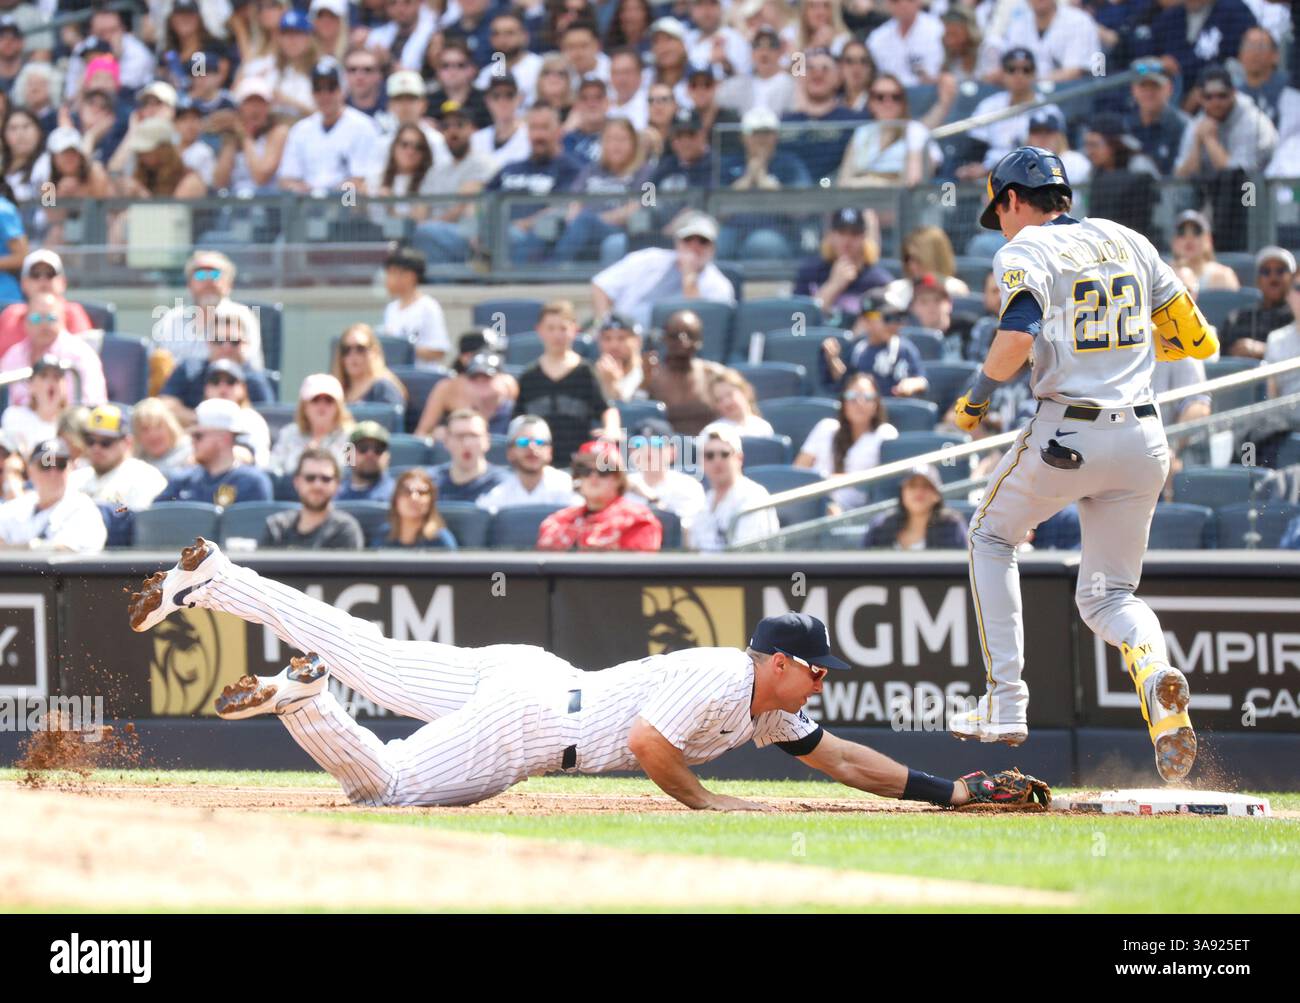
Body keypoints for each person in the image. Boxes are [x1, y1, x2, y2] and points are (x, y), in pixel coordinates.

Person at [131, 547, 1046, 809]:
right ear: (777, 661)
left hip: (532, 676)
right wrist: (709, 806)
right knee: (394, 791)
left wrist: (947, 793)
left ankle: (219, 581)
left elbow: (843, 759)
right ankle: (307, 700)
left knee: (357, 641)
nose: (821, 683)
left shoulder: (763, 707)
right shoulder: (725, 679)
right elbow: (651, 745)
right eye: (814, 669)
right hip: (528, 724)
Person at [948, 145, 1215, 781]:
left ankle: (1006, 704)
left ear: (1013, 200)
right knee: (1108, 596)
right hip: (1143, 440)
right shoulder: (1130, 239)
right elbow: (1196, 337)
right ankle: (1153, 670)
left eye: (1000, 211)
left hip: (1068, 433)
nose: (1001, 225)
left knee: (990, 535)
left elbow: (1016, 336)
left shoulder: (1025, 248)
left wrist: (975, 401)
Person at [1173, 65, 1277, 252]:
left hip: (1255, 195)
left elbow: (1237, 172)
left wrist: (1209, 140)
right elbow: (1180, 175)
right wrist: (1197, 144)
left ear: (1233, 93)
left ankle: (1247, 248)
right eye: (1209, 97)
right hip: (1218, 200)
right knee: (1185, 192)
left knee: (1241, 189)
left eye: (1222, 96)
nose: (1216, 102)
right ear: (1199, 97)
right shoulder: (1197, 124)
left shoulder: (1252, 119)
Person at [591, 213, 735, 331]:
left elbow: (698, 324)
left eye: (703, 241)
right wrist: (604, 329)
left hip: (677, 351)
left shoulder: (720, 286)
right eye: (688, 239)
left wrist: (689, 277)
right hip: (626, 341)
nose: (694, 246)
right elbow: (601, 286)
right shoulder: (648, 258)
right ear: (677, 242)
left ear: (713, 248)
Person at [512, 300, 616, 459]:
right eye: (551, 328)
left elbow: (607, 409)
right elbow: (518, 422)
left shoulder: (586, 372)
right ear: (539, 330)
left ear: (575, 329)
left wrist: (611, 429)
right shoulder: (528, 377)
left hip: (578, 460)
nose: (557, 335)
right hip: (539, 461)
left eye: (563, 328)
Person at [486, 102, 585, 266]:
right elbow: (483, 199)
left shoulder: (571, 169)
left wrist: (522, 224)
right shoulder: (511, 167)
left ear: (559, 131)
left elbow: (562, 210)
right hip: (494, 233)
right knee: (434, 231)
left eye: (545, 128)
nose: (538, 135)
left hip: (534, 239)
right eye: (533, 128)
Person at [795, 374, 899, 511]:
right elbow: (798, 470)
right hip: (811, 503)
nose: (859, 403)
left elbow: (881, 482)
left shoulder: (884, 433)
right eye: (852, 396)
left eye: (867, 397)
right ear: (843, 402)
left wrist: (828, 480)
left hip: (852, 511)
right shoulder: (826, 427)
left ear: (876, 404)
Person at [537, 439, 663, 551]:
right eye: (585, 470)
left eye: (604, 470)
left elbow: (636, 573)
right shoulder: (557, 521)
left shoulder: (638, 521)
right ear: (578, 476)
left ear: (618, 478)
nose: (593, 476)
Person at [150, 250, 264, 371]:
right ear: (189, 284)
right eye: (200, 275)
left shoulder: (242, 317)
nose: (208, 281)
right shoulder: (171, 319)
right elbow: (155, 367)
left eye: (215, 274)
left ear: (229, 284)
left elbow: (252, 369)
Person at [279, 58, 382, 192]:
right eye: (318, 89)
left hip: (348, 205)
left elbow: (361, 179)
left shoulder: (364, 126)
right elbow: (286, 178)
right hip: (309, 206)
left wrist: (337, 202)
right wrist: (302, 192)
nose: (324, 95)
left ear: (343, 89)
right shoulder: (300, 129)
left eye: (331, 88)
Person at [159, 308, 274, 421]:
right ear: (208, 343)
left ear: (245, 344)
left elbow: (268, 417)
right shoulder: (189, 368)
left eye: (234, 342)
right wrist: (203, 421)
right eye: (219, 341)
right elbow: (166, 403)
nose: (227, 348)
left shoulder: (254, 378)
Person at [156, 398, 274, 506]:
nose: (192, 442)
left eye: (198, 436)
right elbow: (154, 519)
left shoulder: (250, 483)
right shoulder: (182, 481)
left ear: (224, 438)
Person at [0, 292, 106, 409]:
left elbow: (90, 406)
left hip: (66, 424)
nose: (43, 324)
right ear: (25, 322)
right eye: (36, 318)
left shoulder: (81, 355)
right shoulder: (13, 355)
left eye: (51, 318)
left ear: (63, 320)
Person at [0, 438, 105, 553]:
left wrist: (17, 547)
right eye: (45, 464)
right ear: (30, 470)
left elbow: (63, 551)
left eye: (60, 465)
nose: (53, 473)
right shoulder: (18, 506)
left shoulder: (83, 507)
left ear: (70, 468)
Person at [639, 309, 731, 435]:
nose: (683, 342)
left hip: (709, 450)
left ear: (700, 340)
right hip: (665, 449)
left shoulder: (714, 375)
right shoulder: (650, 376)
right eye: (675, 335)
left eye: (690, 335)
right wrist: (644, 383)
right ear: (665, 338)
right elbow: (636, 414)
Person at [794, 208, 892, 325]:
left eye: (854, 234)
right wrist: (833, 285)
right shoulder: (810, 272)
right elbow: (797, 325)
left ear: (864, 238)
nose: (847, 241)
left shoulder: (878, 281)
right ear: (831, 235)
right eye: (841, 233)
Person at [691, 425, 780, 550]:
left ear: (739, 458)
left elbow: (745, 558)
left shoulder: (754, 495)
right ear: (702, 462)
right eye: (709, 455)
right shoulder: (705, 500)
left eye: (724, 454)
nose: (717, 461)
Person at [778, 48, 857, 185]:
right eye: (810, 68)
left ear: (838, 78)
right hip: (788, 197)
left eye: (825, 69)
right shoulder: (783, 121)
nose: (817, 73)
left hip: (832, 195)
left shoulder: (853, 121)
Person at [68, 404, 167, 512]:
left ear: (127, 443)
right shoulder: (75, 479)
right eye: (90, 441)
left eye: (106, 442)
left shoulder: (145, 477)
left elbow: (142, 524)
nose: (96, 448)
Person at [414, 337, 519, 438]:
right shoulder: (446, 387)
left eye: (486, 378)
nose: (482, 387)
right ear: (463, 357)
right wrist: (440, 436)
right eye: (476, 378)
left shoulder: (509, 384)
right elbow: (422, 433)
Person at [824, 296, 928, 398]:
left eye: (898, 319)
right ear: (867, 321)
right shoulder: (857, 350)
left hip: (897, 408)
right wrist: (833, 359)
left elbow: (921, 380)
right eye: (888, 318)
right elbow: (846, 383)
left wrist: (911, 384)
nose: (894, 324)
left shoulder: (905, 348)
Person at [837, 74, 930, 187]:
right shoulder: (862, 132)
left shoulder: (915, 130)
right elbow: (843, 181)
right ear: (871, 102)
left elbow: (913, 180)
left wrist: (867, 181)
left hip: (896, 202)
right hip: (858, 201)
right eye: (880, 97)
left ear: (903, 102)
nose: (888, 102)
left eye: (895, 97)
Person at [262, 448, 365, 550]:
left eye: (325, 479)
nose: (317, 485)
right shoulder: (277, 527)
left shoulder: (346, 530)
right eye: (310, 478)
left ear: (337, 485)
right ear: (296, 482)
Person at [623, 416, 706, 537]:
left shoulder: (688, 487)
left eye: (657, 443)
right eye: (639, 444)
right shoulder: (621, 485)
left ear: (673, 452)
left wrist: (654, 500)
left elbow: (686, 535)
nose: (647, 449)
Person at [477, 415, 578, 511]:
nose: (532, 447)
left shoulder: (568, 488)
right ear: (510, 452)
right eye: (523, 442)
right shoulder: (499, 494)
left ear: (550, 451)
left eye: (539, 442)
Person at [1080, 114, 1159, 237]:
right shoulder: (1093, 174)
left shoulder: (1139, 167)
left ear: (1113, 145)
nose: (1090, 151)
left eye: (1094, 145)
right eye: (1087, 145)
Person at [863, 463, 965, 549]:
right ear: (902, 492)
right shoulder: (881, 526)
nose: (918, 491)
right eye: (912, 485)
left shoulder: (952, 527)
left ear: (937, 495)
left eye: (926, 486)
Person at [271, 374, 354, 476]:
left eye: (329, 400)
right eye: (315, 400)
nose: (322, 406)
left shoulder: (351, 438)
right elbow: (272, 468)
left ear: (338, 408)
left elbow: (350, 472)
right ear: (304, 406)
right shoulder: (289, 433)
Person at [1219, 245, 1295, 358]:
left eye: (1280, 271)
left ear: (1292, 279)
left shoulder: (1297, 317)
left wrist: (1265, 350)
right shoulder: (1237, 318)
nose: (1273, 277)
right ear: (1258, 281)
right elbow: (1222, 356)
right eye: (1266, 271)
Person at [382, 245, 449, 367]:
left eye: (392, 273)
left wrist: (402, 348)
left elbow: (439, 351)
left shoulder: (428, 307)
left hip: (421, 378)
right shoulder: (390, 309)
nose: (387, 279)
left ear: (409, 276)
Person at [201, 359, 273, 468]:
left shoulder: (251, 419)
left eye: (230, 381)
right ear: (206, 388)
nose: (222, 388)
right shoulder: (199, 417)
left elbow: (248, 455)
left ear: (243, 388)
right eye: (215, 381)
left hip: (238, 479)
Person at [1123, 64, 1189, 178]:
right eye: (1143, 86)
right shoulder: (1125, 126)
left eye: (1155, 86)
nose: (1149, 93)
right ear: (1133, 90)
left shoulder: (1183, 125)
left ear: (1169, 89)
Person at [431, 408, 506, 503]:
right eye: (459, 436)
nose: (467, 443)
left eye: (474, 435)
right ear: (446, 441)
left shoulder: (504, 484)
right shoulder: (429, 484)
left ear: (487, 440)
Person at [1, 355, 67, 456]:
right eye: (44, 376)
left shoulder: (72, 421)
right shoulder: (14, 416)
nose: (51, 382)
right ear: (31, 385)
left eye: (56, 377)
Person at [865, 0, 942, 86]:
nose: (903, 4)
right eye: (896, 1)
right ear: (887, 4)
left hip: (930, 91)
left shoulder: (938, 30)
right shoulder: (877, 38)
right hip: (889, 95)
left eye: (909, 0)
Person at [380, 467, 458, 549]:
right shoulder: (384, 536)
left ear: (431, 501)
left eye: (422, 492)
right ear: (396, 499)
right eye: (407, 491)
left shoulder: (440, 540)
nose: (414, 498)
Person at [332, 323, 407, 406]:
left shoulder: (383, 389)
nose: (353, 355)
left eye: (360, 349)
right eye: (346, 350)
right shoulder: (334, 392)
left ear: (374, 352)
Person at [1169, 209, 1240, 292]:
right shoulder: (1162, 277)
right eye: (1181, 232)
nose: (1189, 237)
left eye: (1196, 231)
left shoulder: (1224, 276)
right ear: (1173, 242)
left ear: (1208, 239)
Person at [591, 313, 645, 402]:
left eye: (621, 338)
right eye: (607, 338)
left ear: (638, 341)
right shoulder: (591, 375)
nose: (614, 345)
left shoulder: (647, 373)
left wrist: (611, 385)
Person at [704, 369, 774, 437]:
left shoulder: (764, 427)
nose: (726, 403)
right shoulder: (712, 431)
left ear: (745, 391)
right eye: (718, 400)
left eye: (730, 394)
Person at [337, 421, 395, 503]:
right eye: (363, 448)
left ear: (387, 457)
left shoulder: (396, 497)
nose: (370, 454)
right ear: (348, 455)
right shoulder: (332, 494)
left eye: (378, 449)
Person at [132, 398, 192, 473]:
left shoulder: (191, 453)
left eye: (158, 426)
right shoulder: (135, 464)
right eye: (145, 429)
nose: (152, 435)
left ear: (170, 427)